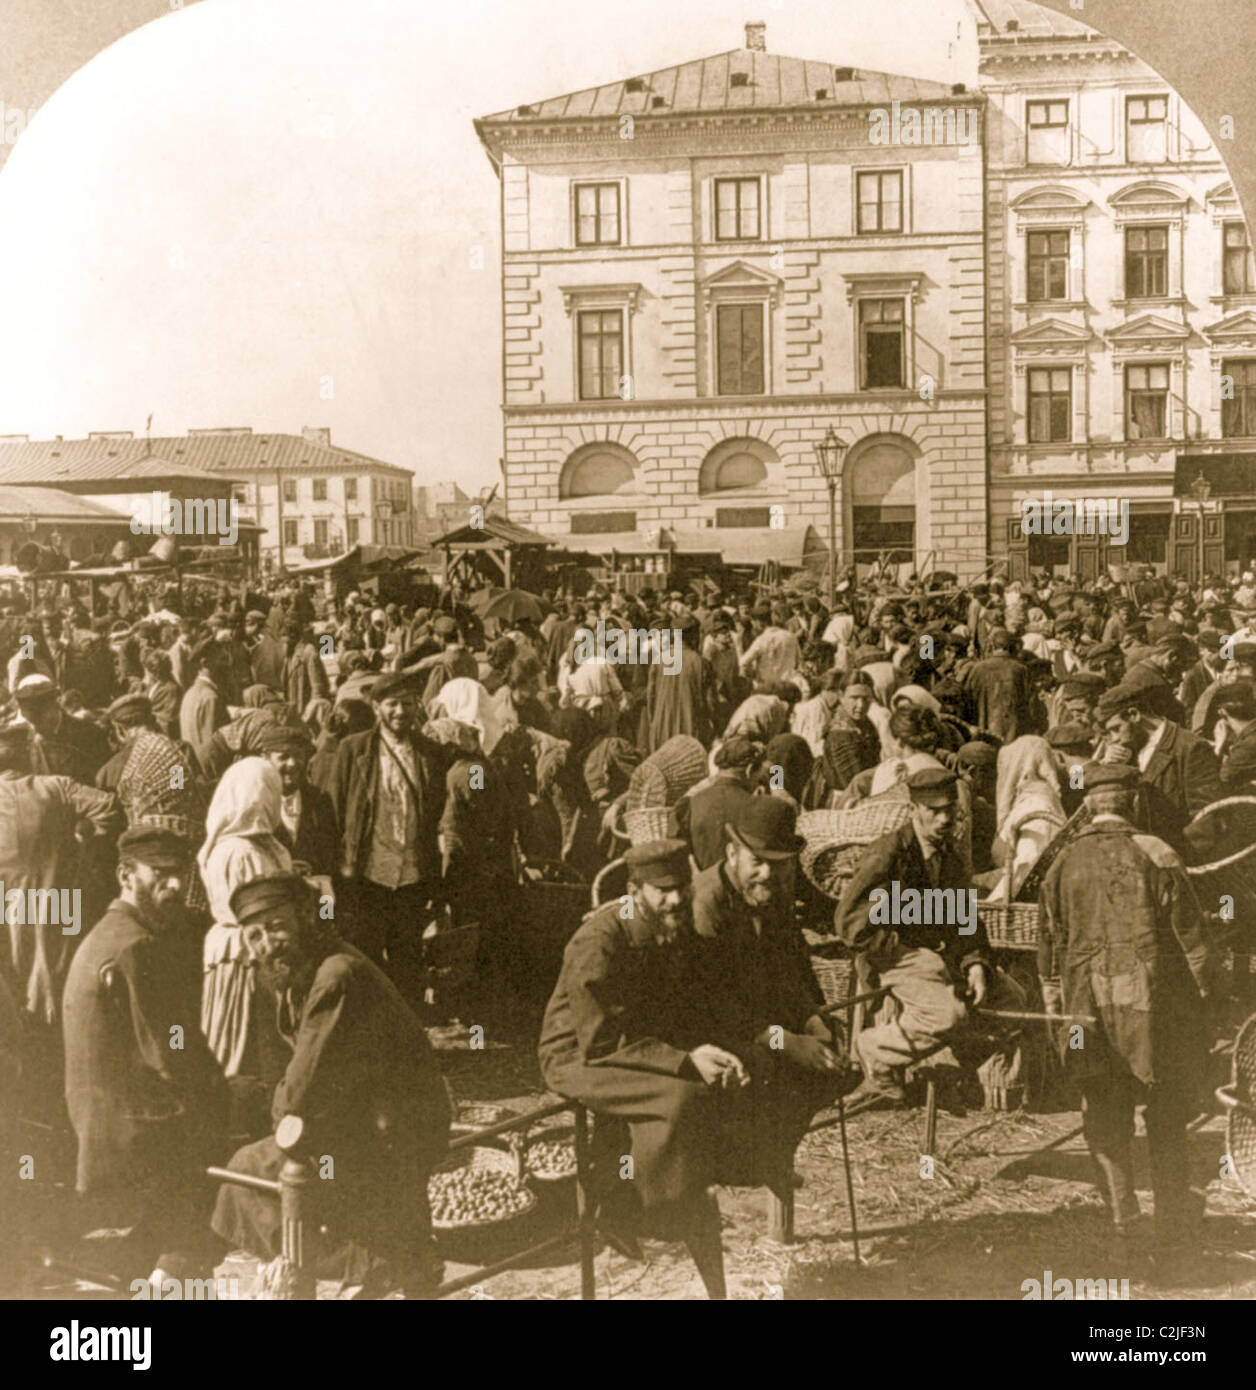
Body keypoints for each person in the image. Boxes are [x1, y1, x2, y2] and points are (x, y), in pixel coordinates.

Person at [211, 873, 451, 1293]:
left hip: (400, 1128)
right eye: (255, 936)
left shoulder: (336, 974)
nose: (268, 944)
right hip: (359, 1116)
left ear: (306, 918)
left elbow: (295, 1096)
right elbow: (283, 1077)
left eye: (277, 927)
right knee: (257, 1169)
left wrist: (288, 1114)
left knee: (245, 1172)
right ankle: (380, 1259)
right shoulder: (287, 975)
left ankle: (379, 1261)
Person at [538, 839, 749, 1282]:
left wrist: (717, 1046)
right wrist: (685, 1060)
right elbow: (600, 1041)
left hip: (630, 1043)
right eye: (662, 890)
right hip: (579, 1055)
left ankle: (686, 1184)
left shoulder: (668, 924)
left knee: (725, 1078)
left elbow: (678, 1005)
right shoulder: (598, 940)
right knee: (679, 1096)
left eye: (682, 888)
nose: (675, 899)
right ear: (635, 891)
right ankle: (638, 1207)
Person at [1037, 764, 1216, 1248]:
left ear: (1090, 809)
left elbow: (1048, 955)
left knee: (1103, 1109)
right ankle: (1174, 1220)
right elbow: (1194, 945)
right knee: (1166, 1112)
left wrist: (1061, 1016)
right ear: (1133, 803)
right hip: (1153, 1013)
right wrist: (1204, 1010)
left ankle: (1123, 1218)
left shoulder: (1061, 862)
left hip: (1085, 1012)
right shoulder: (1157, 853)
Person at [62, 826, 228, 1289]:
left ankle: (145, 1264)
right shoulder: (136, 945)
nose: (175, 885)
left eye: (180, 874)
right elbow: (168, 1052)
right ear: (125, 875)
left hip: (102, 1119)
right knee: (223, 1170)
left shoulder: (108, 933)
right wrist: (218, 1082)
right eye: (161, 874)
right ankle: (172, 1273)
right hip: (131, 1134)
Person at [690, 798, 852, 1187]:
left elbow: (789, 964)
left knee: (834, 1069)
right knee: (768, 1069)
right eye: (756, 861)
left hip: (753, 1013)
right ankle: (741, 1165)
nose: (767, 873)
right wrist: (786, 1041)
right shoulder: (707, 902)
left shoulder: (774, 890)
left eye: (778, 864)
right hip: (701, 1023)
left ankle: (773, 1156)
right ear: (732, 854)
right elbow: (711, 999)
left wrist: (814, 1019)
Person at [837, 767, 1011, 1114]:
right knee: (948, 1015)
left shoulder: (949, 856)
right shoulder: (888, 855)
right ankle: (876, 1051)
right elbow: (850, 922)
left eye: (950, 809)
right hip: (893, 956)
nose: (945, 818)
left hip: (936, 956)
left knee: (1011, 998)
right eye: (935, 810)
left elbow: (964, 918)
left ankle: (944, 1072)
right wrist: (898, 950)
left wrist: (976, 963)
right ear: (914, 809)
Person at [325, 670, 449, 1001]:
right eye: (392, 704)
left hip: (411, 875)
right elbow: (335, 815)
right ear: (377, 706)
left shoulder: (429, 753)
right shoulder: (354, 750)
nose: (400, 712)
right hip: (367, 876)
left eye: (407, 704)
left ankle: (405, 1038)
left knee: (407, 959)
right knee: (365, 957)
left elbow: (437, 812)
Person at [198, 757, 294, 1083]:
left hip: (248, 948)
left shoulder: (256, 845)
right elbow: (260, 910)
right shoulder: (240, 852)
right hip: (249, 956)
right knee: (253, 1037)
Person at [260, 723, 339, 878]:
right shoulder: (257, 802)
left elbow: (330, 860)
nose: (292, 763)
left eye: (298, 756)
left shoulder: (319, 800)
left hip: (317, 896)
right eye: (283, 757)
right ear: (265, 758)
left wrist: (326, 900)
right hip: (274, 898)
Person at [12, 673, 111, 783]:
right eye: (32, 719)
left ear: (56, 704)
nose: (37, 726)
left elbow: (105, 777)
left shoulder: (89, 734)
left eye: (41, 716)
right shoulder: (21, 740)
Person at [961, 626, 1037, 742]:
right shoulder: (1021, 670)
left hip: (983, 732)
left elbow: (968, 700)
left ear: (993, 646)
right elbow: (1032, 705)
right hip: (1014, 734)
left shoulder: (978, 668)